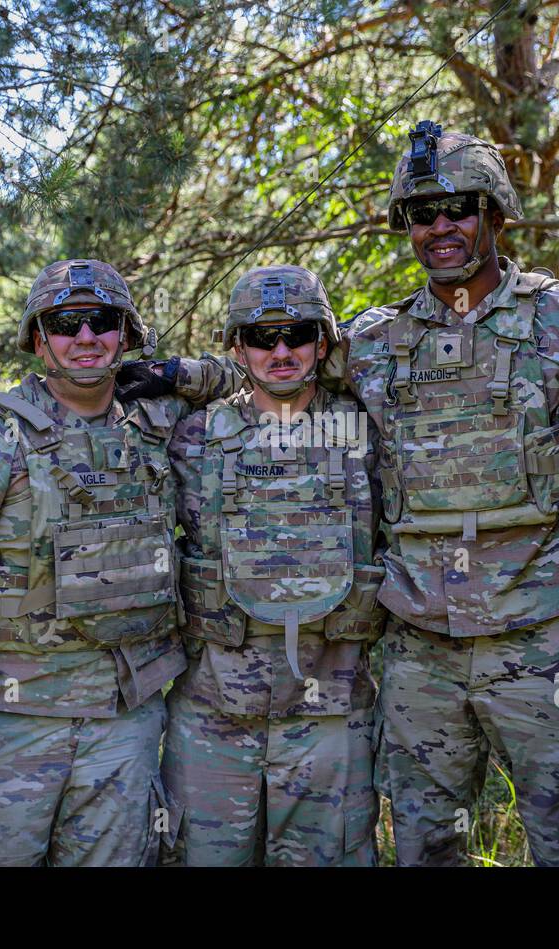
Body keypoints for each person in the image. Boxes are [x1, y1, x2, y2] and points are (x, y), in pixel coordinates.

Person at [120, 121, 559, 866]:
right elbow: (276, 366)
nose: (441, 228)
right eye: (422, 215)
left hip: (543, 638)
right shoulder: (376, 340)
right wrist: (177, 377)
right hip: (421, 646)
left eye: (458, 208)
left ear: (495, 212)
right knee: (427, 844)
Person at [0, 258, 235, 866]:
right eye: (65, 324)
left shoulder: (157, 419)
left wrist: (176, 372)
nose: (85, 337)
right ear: (40, 341)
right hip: (10, 721)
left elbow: (257, 375)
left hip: (123, 721)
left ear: (126, 334)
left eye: (102, 321)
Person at [160, 265, 385, 866]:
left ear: (324, 341)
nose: (281, 351)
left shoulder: (366, 433)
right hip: (213, 712)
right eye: (262, 338)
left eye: (299, 334)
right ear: (238, 347)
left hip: (330, 712)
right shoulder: (193, 439)